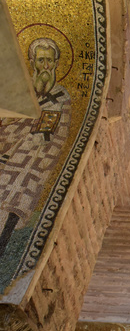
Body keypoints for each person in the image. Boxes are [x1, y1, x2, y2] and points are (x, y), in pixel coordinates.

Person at [0, 37, 72, 259]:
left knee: (9, 208)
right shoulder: (16, 89)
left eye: (50, 61)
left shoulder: (61, 98)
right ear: (32, 61)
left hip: (29, 165)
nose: (46, 67)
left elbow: (50, 137)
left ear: (57, 62)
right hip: (5, 153)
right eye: (41, 60)